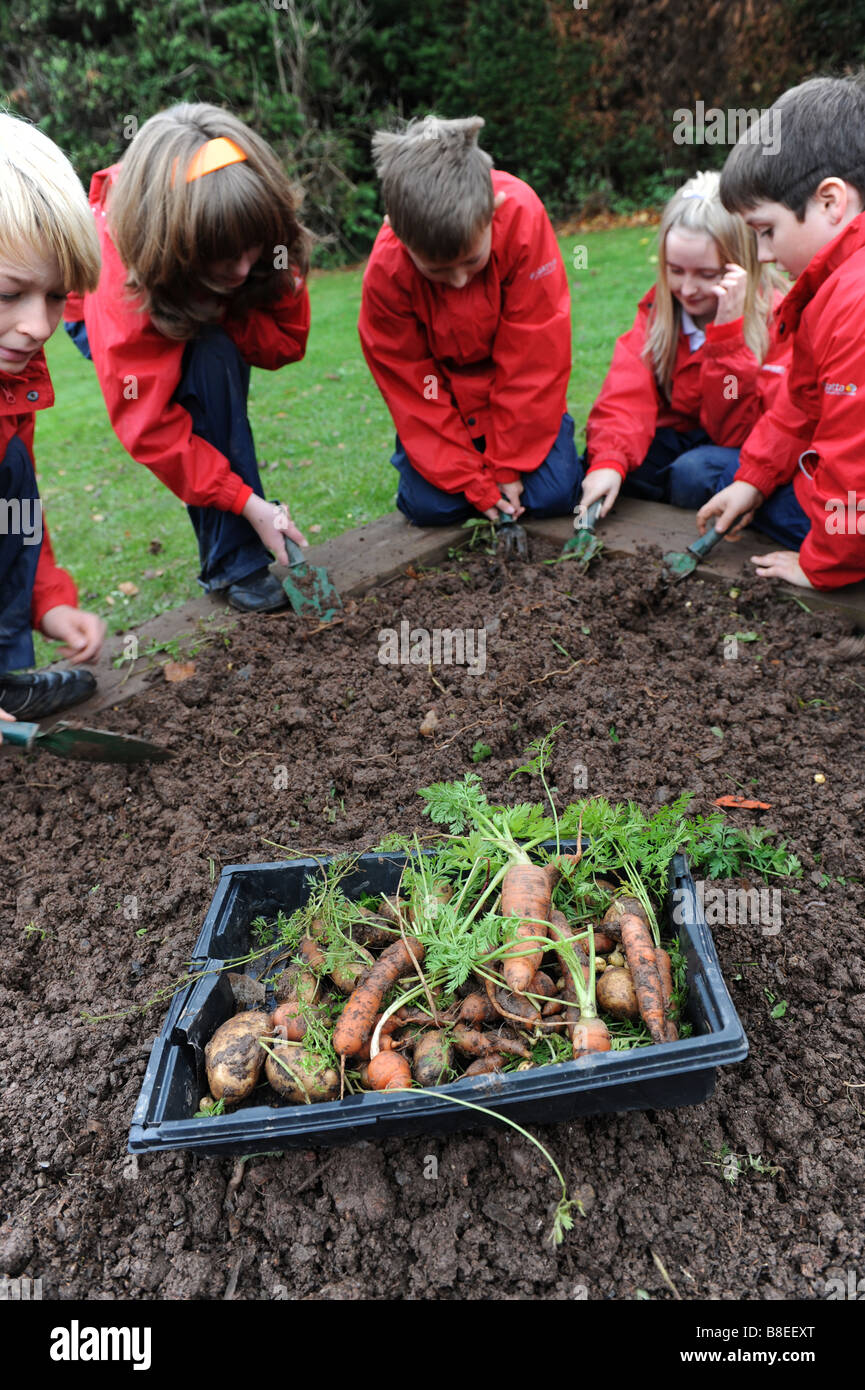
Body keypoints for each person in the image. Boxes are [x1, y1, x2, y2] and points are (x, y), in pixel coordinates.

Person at [68, 103, 313, 613]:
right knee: (207, 365)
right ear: (179, 245)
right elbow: (152, 428)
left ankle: (240, 539)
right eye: (228, 257)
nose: (246, 270)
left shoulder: (257, 249)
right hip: (126, 310)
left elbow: (283, 344)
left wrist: (267, 274)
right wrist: (248, 503)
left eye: (256, 249)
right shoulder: (121, 294)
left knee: (216, 357)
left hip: (190, 292)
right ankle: (234, 561)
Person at [358, 115, 582, 526]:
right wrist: (472, 481)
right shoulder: (387, 269)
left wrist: (508, 465)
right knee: (434, 508)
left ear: (491, 213)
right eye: (438, 271)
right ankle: (450, 471)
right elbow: (412, 383)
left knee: (553, 495)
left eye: (472, 261)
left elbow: (533, 353)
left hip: (515, 394)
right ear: (399, 237)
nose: (458, 281)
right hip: (444, 403)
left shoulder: (521, 217)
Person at [694, 76, 865, 590]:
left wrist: (821, 564)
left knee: (780, 514)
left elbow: (855, 454)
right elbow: (803, 404)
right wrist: (754, 478)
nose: (764, 254)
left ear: (831, 202)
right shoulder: (835, 285)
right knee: (736, 484)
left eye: (767, 231)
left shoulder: (855, 300)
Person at [579, 170, 789, 521]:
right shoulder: (660, 314)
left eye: (707, 275)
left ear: (742, 266)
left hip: (740, 450)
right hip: (680, 436)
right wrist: (609, 461)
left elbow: (735, 432)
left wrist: (727, 339)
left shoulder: (777, 319)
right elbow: (625, 396)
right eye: (675, 270)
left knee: (694, 472)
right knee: (608, 461)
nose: (688, 289)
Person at [0, 113, 105, 729]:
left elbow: (17, 512)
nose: (40, 326)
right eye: (9, 294)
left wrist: (50, 601)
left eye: (56, 296)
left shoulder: (14, 374)